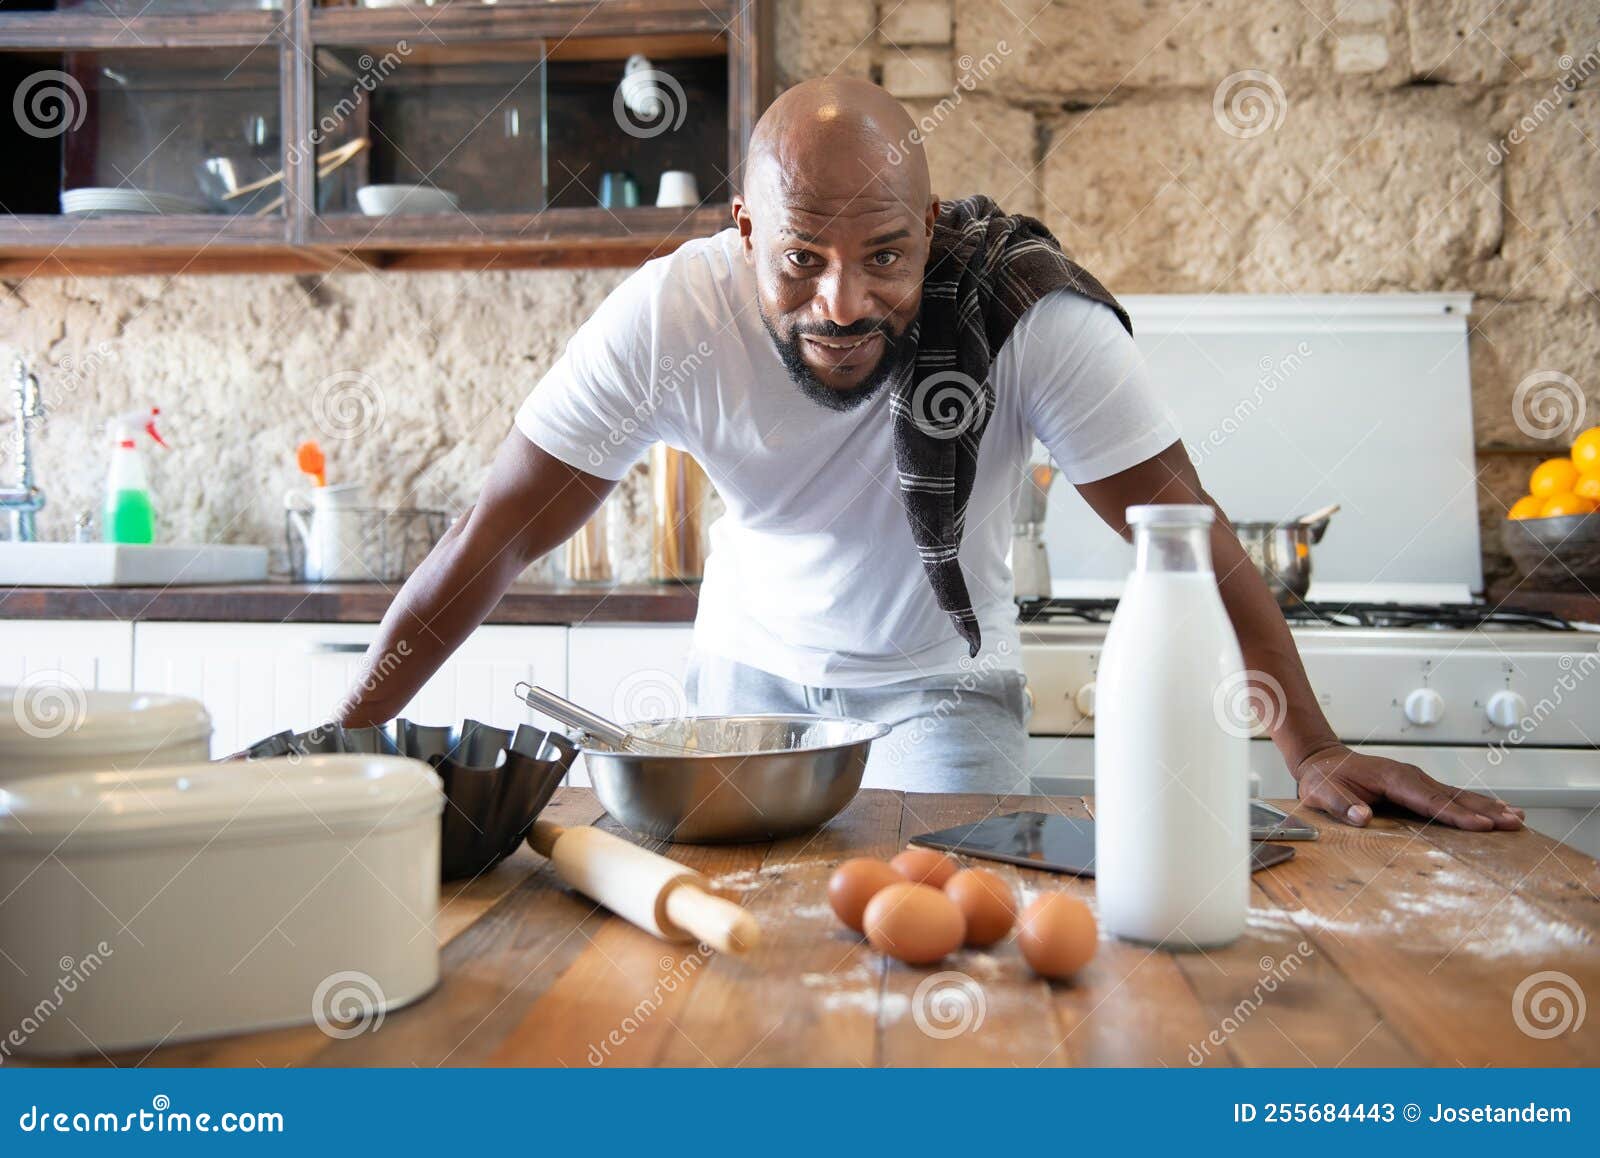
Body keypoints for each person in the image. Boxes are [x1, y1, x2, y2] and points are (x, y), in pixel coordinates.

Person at [338, 77, 1522, 833]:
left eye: (885, 258)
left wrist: (1308, 746)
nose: (841, 305)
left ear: (934, 232)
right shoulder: (669, 321)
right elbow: (491, 539)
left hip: (938, 690)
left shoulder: (1027, 317)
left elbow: (1184, 538)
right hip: (744, 692)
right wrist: (344, 744)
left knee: (944, 943)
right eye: (800, 260)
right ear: (742, 231)